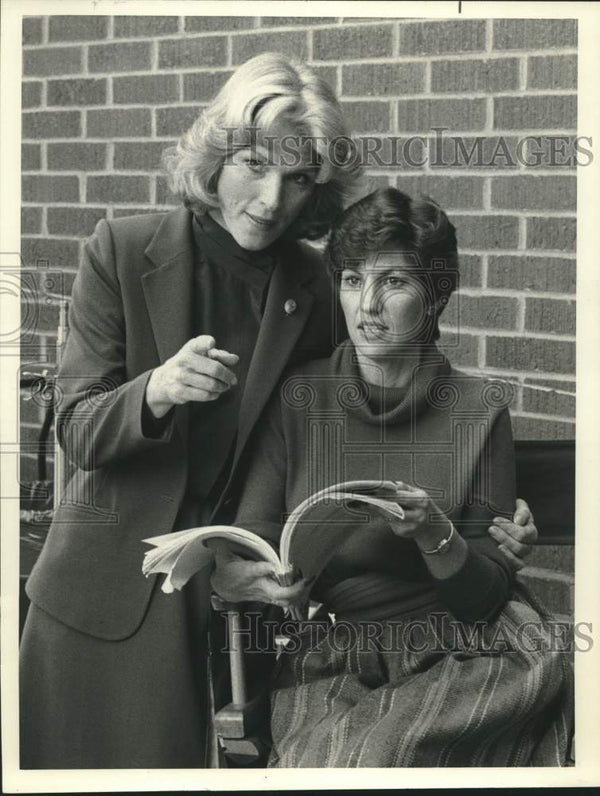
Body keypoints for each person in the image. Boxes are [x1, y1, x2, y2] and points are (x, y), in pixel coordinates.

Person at [20, 52, 537, 769]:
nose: (271, 199)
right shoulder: (122, 249)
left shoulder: (323, 289)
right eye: (254, 164)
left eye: (299, 179)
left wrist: (477, 537)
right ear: (214, 155)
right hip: (109, 596)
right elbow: (77, 430)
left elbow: (355, 417)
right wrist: (156, 390)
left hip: (244, 608)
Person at [220, 188, 574, 767]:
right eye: (354, 280)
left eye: (394, 283)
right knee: (324, 762)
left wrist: (435, 532)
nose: (367, 306)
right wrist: (248, 580)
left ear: (434, 298)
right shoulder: (298, 398)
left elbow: (484, 598)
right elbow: (245, 544)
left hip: (465, 652)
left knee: (384, 752)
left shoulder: (478, 406)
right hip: (337, 654)